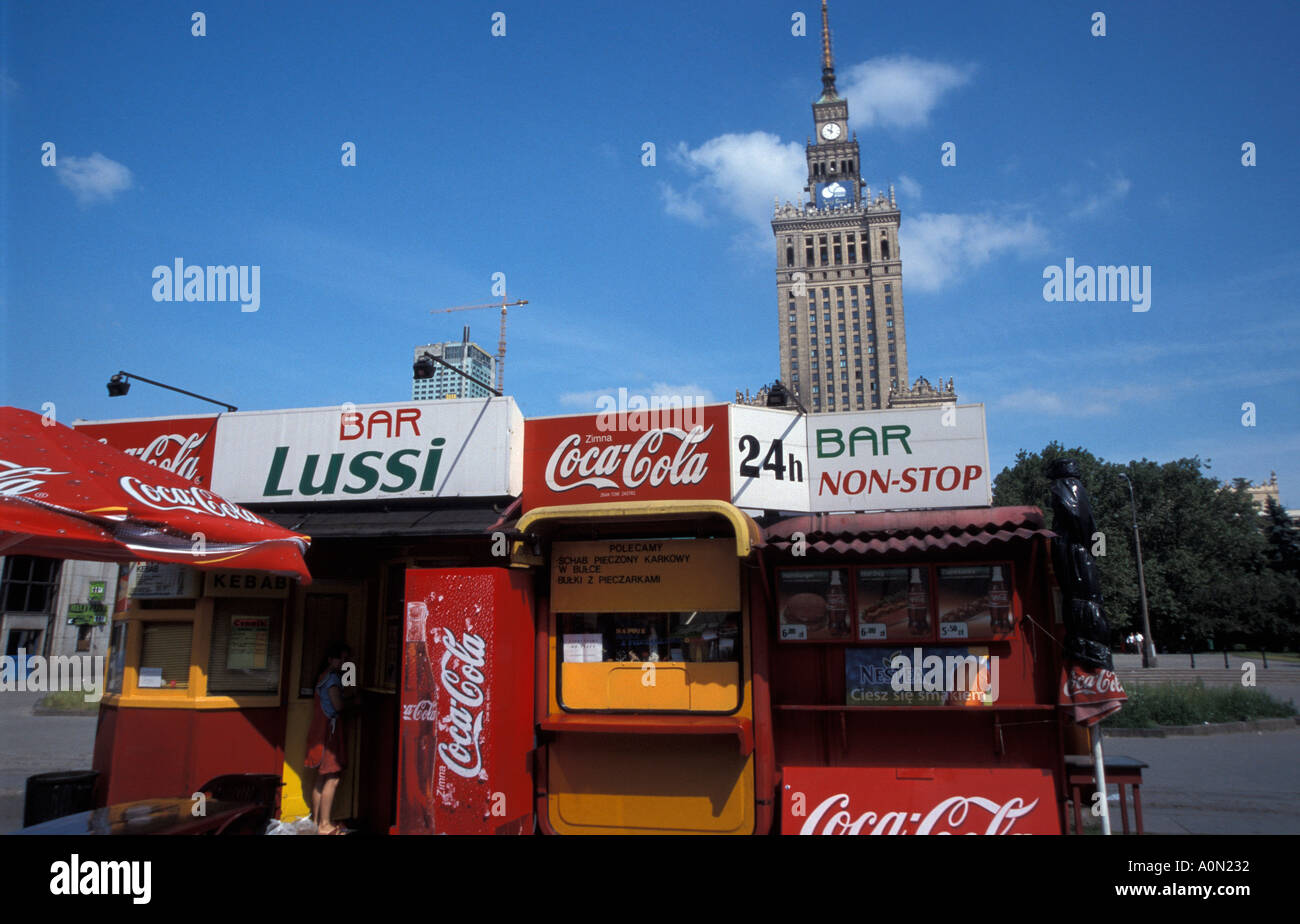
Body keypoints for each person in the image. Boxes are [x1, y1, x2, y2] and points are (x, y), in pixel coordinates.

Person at [305, 642, 350, 835]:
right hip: (329, 733)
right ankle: (325, 825)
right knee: (332, 777)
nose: (344, 662)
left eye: (346, 659)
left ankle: (316, 823)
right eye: (341, 658)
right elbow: (338, 706)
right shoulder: (332, 679)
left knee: (321, 778)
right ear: (331, 659)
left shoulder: (322, 677)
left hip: (318, 731)